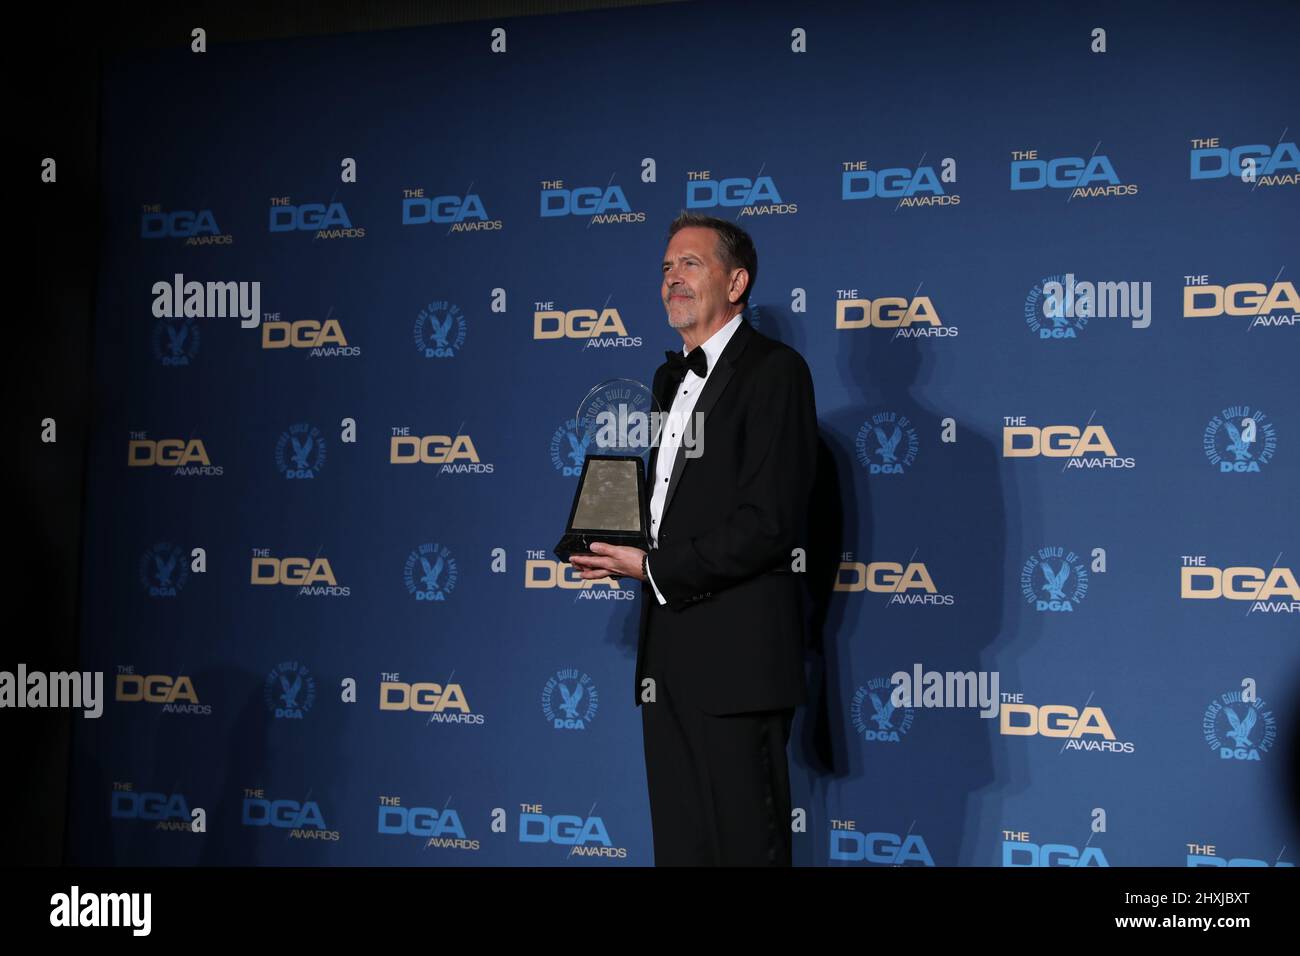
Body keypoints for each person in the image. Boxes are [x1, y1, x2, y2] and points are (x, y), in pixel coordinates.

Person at [568, 212, 818, 865]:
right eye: (666, 268)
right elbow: (669, 507)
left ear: (736, 282)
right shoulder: (665, 381)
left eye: (691, 264)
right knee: (682, 850)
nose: (672, 278)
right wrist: (606, 538)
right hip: (668, 655)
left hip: (739, 661)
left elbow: (770, 522)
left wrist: (653, 568)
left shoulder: (777, 372)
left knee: (744, 851)